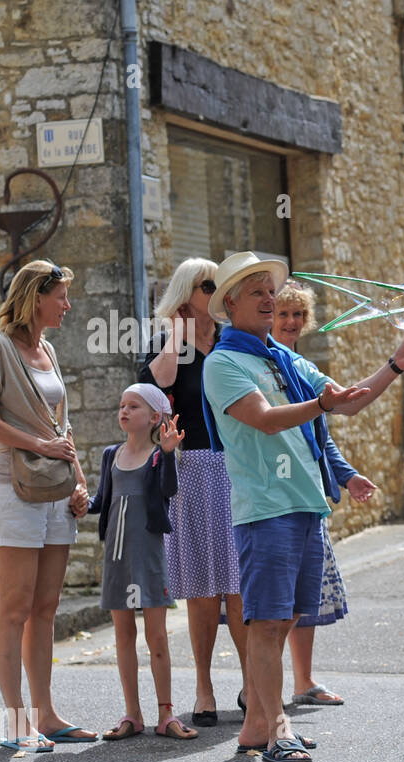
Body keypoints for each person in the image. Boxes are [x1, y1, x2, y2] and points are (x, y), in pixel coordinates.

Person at [202, 252, 404, 762]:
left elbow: (349, 401)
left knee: (285, 619)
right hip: (266, 509)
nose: (270, 299)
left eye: (272, 290)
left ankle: (253, 726)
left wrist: (396, 365)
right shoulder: (223, 363)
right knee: (267, 624)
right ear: (230, 304)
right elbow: (265, 420)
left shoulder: (286, 360)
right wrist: (323, 405)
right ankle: (276, 728)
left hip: (305, 505)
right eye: (258, 292)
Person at [0, 260, 95, 752]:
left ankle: (47, 714)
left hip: (55, 496)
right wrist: (39, 448)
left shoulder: (49, 350)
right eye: (60, 296)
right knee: (15, 608)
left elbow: (62, 429)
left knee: (46, 609)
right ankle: (17, 721)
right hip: (11, 489)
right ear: (35, 297)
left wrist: (79, 483)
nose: (67, 305)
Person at [139, 257, 248, 728]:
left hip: (243, 467)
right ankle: (204, 688)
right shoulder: (170, 347)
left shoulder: (234, 340)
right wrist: (180, 338)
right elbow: (154, 388)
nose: (218, 291)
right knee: (204, 590)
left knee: (241, 587)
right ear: (187, 293)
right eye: (210, 285)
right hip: (195, 470)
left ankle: (254, 684)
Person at [272, 279, 377, 706]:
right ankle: (262, 688)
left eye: (298, 314)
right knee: (275, 600)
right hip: (275, 494)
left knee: (305, 594)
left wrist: (347, 476)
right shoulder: (260, 365)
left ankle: (302, 681)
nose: (292, 321)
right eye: (283, 314)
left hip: (309, 492)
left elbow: (321, 433)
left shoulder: (300, 364)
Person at [87, 385, 195, 740]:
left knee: (157, 636)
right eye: (122, 405)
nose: (124, 410)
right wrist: (79, 502)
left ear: (153, 417)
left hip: (148, 556)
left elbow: (168, 491)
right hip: (116, 558)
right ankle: (132, 713)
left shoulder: (159, 456)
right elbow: (101, 500)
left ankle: (166, 713)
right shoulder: (110, 455)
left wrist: (167, 454)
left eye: (133, 406)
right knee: (123, 637)